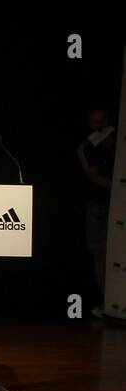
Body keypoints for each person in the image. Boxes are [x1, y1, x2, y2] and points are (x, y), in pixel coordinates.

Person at [76, 107, 116, 318]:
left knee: (112, 252)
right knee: (98, 254)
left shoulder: (118, 144)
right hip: (95, 205)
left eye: (102, 121)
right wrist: (117, 186)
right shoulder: (86, 147)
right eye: (94, 122)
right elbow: (94, 177)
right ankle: (105, 300)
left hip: (116, 206)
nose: (99, 126)